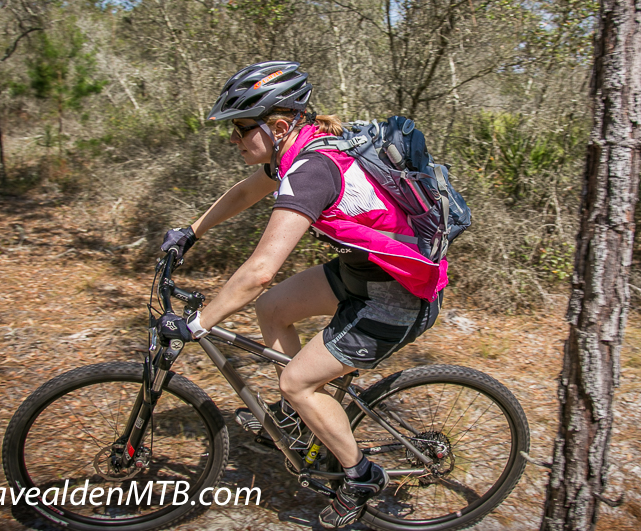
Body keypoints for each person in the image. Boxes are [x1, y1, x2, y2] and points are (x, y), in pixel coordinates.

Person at [160, 61, 448, 529]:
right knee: (272, 309)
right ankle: (299, 424)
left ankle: (360, 477)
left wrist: (197, 324)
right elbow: (248, 191)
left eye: (239, 129)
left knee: (296, 382)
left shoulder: (313, 169)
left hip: (397, 294)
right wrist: (192, 231)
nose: (233, 140)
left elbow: (259, 271)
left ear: (276, 126)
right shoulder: (301, 149)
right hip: (366, 273)